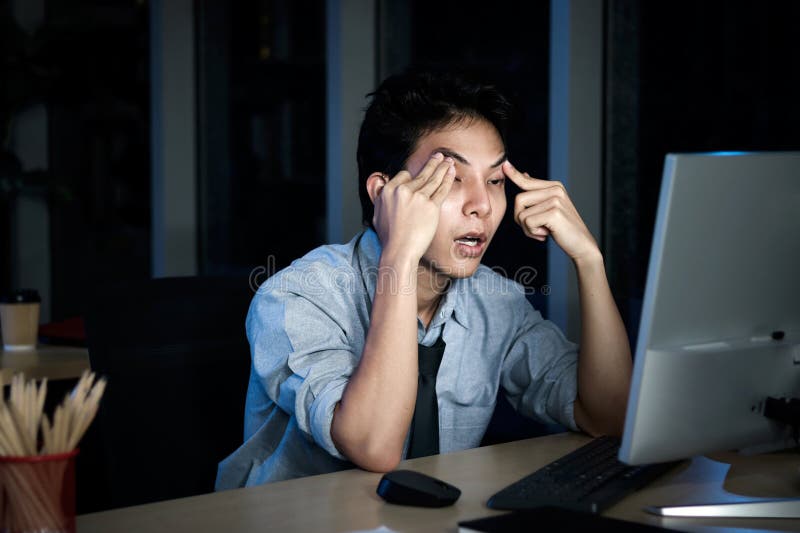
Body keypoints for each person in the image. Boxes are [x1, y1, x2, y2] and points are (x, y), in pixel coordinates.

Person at [215, 69, 632, 489]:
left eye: (494, 181)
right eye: (452, 179)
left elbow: (610, 417)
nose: (482, 205)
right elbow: (374, 447)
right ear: (384, 192)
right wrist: (399, 253)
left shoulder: (496, 301)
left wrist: (589, 259)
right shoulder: (296, 296)